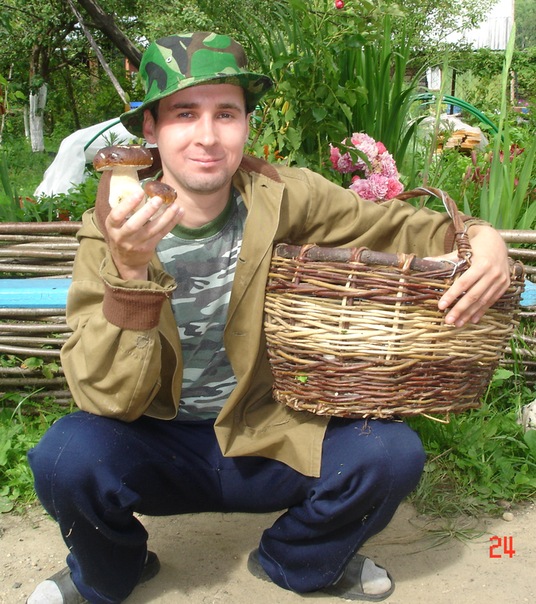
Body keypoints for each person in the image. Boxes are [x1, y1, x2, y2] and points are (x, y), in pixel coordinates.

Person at [27, 32, 511, 604]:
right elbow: (102, 396)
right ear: (151, 129)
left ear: (246, 123)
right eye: (185, 114)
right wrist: (130, 273)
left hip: (268, 437)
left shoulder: (285, 196)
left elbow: (404, 228)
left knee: (389, 454)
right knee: (65, 458)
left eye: (226, 114)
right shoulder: (107, 231)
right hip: (154, 443)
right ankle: (108, 572)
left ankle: (296, 558)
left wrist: (483, 238)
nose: (208, 136)